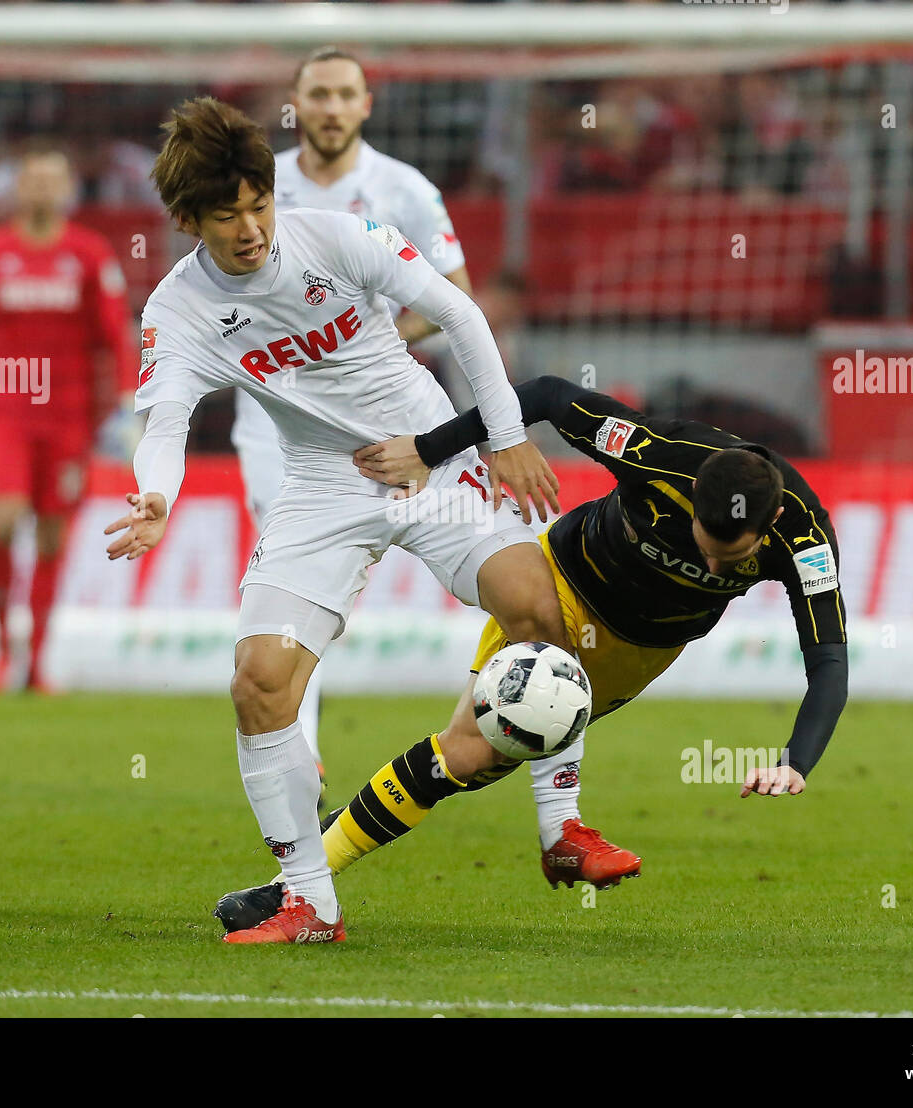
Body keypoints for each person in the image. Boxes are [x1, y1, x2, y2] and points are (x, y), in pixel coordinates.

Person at [104, 96, 581, 946]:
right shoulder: (175, 313)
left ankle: (562, 827)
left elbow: (463, 313)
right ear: (187, 221)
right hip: (324, 483)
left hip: (428, 454)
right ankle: (310, 903)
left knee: (539, 610)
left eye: (259, 204)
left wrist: (502, 438)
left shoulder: (340, 235)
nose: (251, 228)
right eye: (227, 216)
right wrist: (156, 496)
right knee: (258, 682)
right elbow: (167, 423)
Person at [214, 376, 849, 932]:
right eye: (703, 544)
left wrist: (797, 761)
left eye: (728, 562)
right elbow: (546, 395)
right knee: (466, 751)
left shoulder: (806, 540)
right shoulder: (660, 454)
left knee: (491, 760)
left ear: (765, 533)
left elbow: (829, 664)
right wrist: (429, 449)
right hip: (559, 586)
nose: (710, 564)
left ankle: (556, 835)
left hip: (641, 651)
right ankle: (295, 890)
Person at [232, 46, 474, 794]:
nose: (331, 107)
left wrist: (360, 341)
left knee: (495, 573)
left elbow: (454, 292)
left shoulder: (403, 189)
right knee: (291, 588)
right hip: (279, 428)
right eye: (318, 94)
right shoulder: (257, 186)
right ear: (295, 104)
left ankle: (524, 762)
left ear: (366, 105)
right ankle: (299, 756)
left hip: (394, 423)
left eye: (345, 95)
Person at [0, 148, 138, 691]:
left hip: (68, 417)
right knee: (4, 521)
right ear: (17, 188)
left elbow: (116, 335)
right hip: (4, 411)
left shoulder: (88, 254)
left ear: (66, 190)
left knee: (53, 538)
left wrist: (131, 407)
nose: (39, 188)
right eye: (30, 178)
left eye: (49, 179)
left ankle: (34, 661)